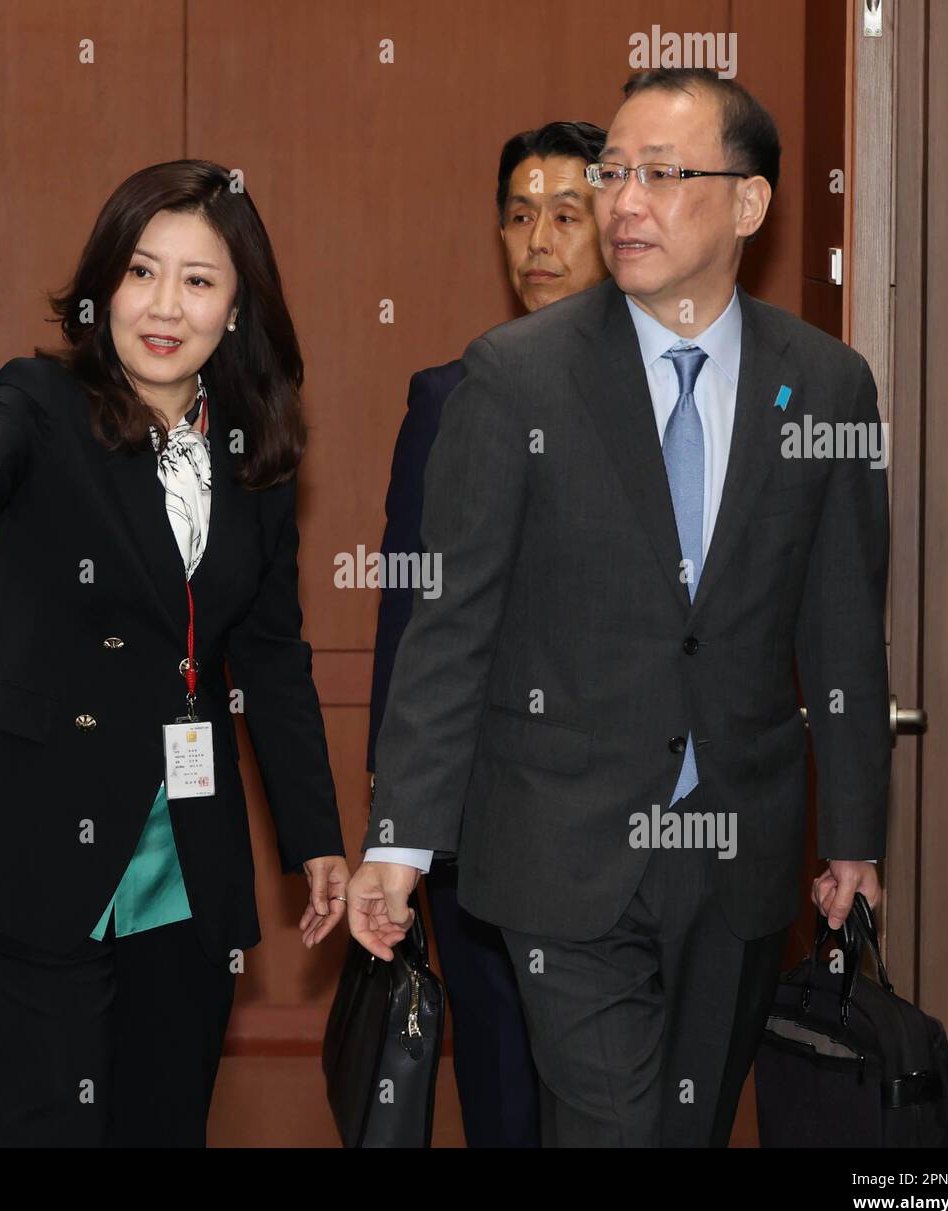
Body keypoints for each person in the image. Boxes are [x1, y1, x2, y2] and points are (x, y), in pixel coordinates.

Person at [350, 68, 889, 1147]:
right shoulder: (516, 376)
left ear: (747, 203)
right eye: (614, 174)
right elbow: (450, 625)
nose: (623, 202)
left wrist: (855, 832)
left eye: (661, 173)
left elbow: (841, 622)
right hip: (560, 846)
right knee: (604, 1126)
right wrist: (401, 842)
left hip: (737, 846)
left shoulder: (825, 385)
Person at [0, 160, 348, 1147]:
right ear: (104, 286)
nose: (164, 305)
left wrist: (315, 840)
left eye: (198, 279)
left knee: (162, 1124)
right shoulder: (43, 400)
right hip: (34, 833)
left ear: (236, 306)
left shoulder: (254, 455)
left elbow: (271, 658)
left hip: (187, 853)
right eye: (141, 272)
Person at [364, 120, 608, 1147]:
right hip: (481, 837)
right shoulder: (448, 397)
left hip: (637, 835)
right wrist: (397, 828)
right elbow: (409, 628)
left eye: (566, 214)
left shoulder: (691, 395)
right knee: (507, 1099)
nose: (536, 241)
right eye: (517, 215)